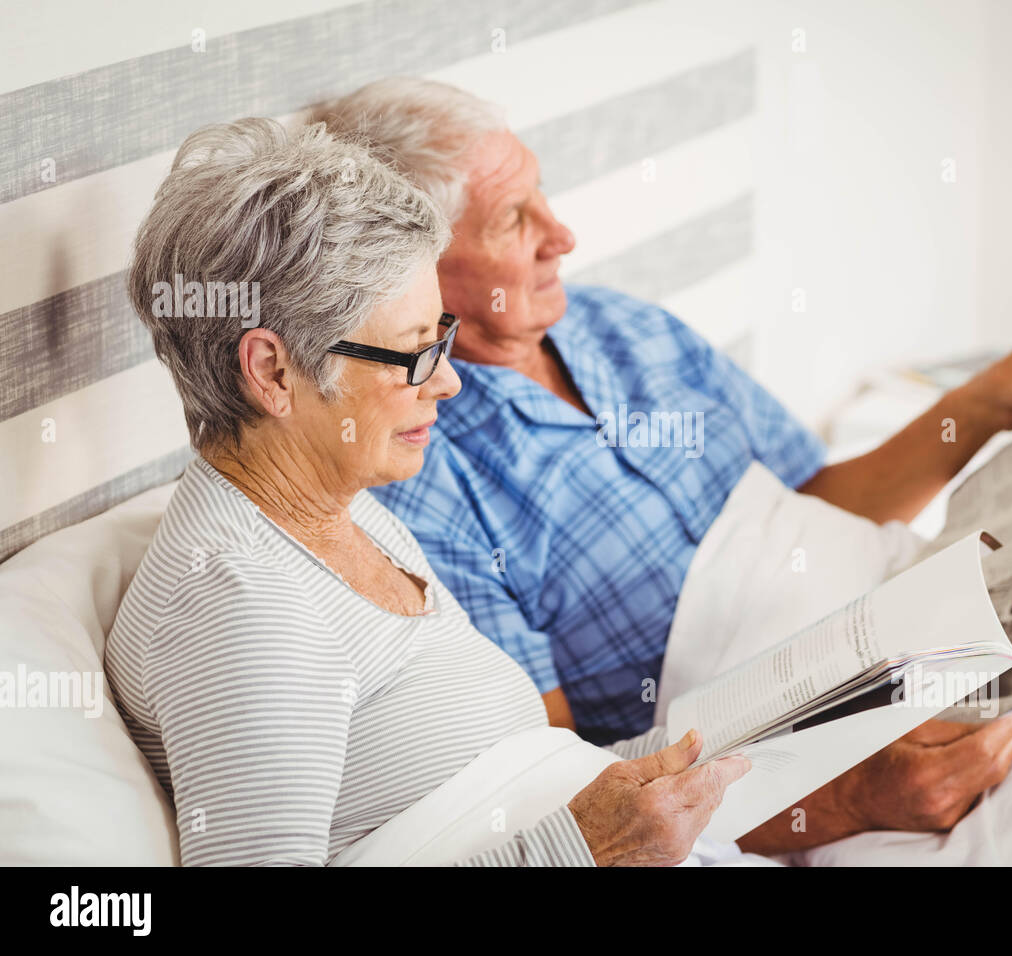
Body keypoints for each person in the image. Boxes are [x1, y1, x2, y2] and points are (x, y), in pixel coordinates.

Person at [313, 78, 1012, 852]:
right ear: (414, 267)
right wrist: (853, 801)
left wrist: (984, 408)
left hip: (913, 626)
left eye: (543, 195)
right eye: (513, 220)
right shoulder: (423, 480)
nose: (562, 237)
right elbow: (568, 788)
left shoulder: (624, 328)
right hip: (790, 773)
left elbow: (815, 505)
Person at [104, 117, 751, 867]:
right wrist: (587, 848)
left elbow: (502, 785)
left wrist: (696, 764)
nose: (448, 380)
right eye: (414, 355)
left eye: (438, 339)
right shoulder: (238, 606)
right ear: (273, 373)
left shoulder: (351, 513)